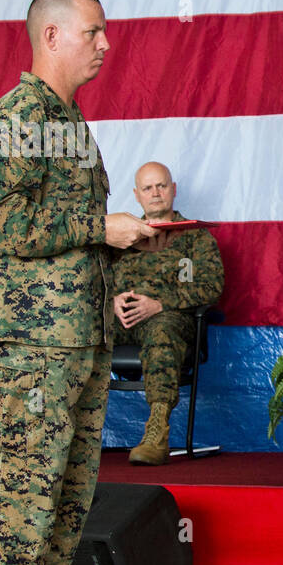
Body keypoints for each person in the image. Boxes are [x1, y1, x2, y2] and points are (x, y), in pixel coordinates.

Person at [0, 0, 162, 565]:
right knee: (28, 473)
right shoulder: (18, 117)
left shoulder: (68, 123)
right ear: (52, 37)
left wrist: (117, 241)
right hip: (28, 342)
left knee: (71, 478)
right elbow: (0, 227)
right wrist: (96, 226)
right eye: (94, 31)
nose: (106, 44)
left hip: (76, 334)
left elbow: (62, 233)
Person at [111, 161, 225, 465]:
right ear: (137, 195)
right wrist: (112, 302)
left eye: (161, 185)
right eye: (147, 188)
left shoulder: (195, 237)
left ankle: (157, 433)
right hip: (122, 320)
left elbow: (212, 286)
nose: (156, 193)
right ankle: (67, 431)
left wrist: (160, 303)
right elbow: (97, 281)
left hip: (170, 320)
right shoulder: (123, 240)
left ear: (173, 189)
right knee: (79, 324)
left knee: (162, 328)